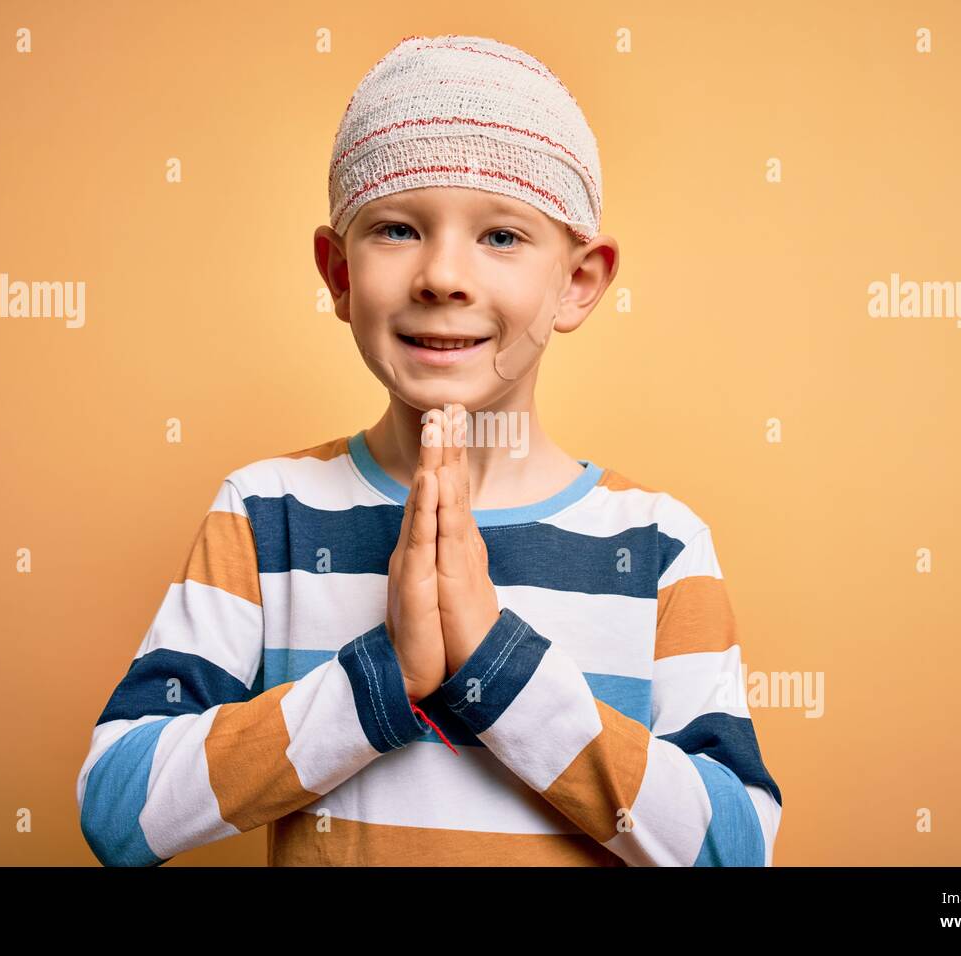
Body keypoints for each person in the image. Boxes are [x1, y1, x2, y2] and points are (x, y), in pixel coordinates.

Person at [76, 33, 781, 866]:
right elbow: (118, 810)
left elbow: (735, 849)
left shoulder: (659, 546)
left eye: (504, 237)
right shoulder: (265, 515)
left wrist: (494, 661)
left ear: (578, 282)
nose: (443, 275)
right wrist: (382, 679)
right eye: (399, 229)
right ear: (339, 275)